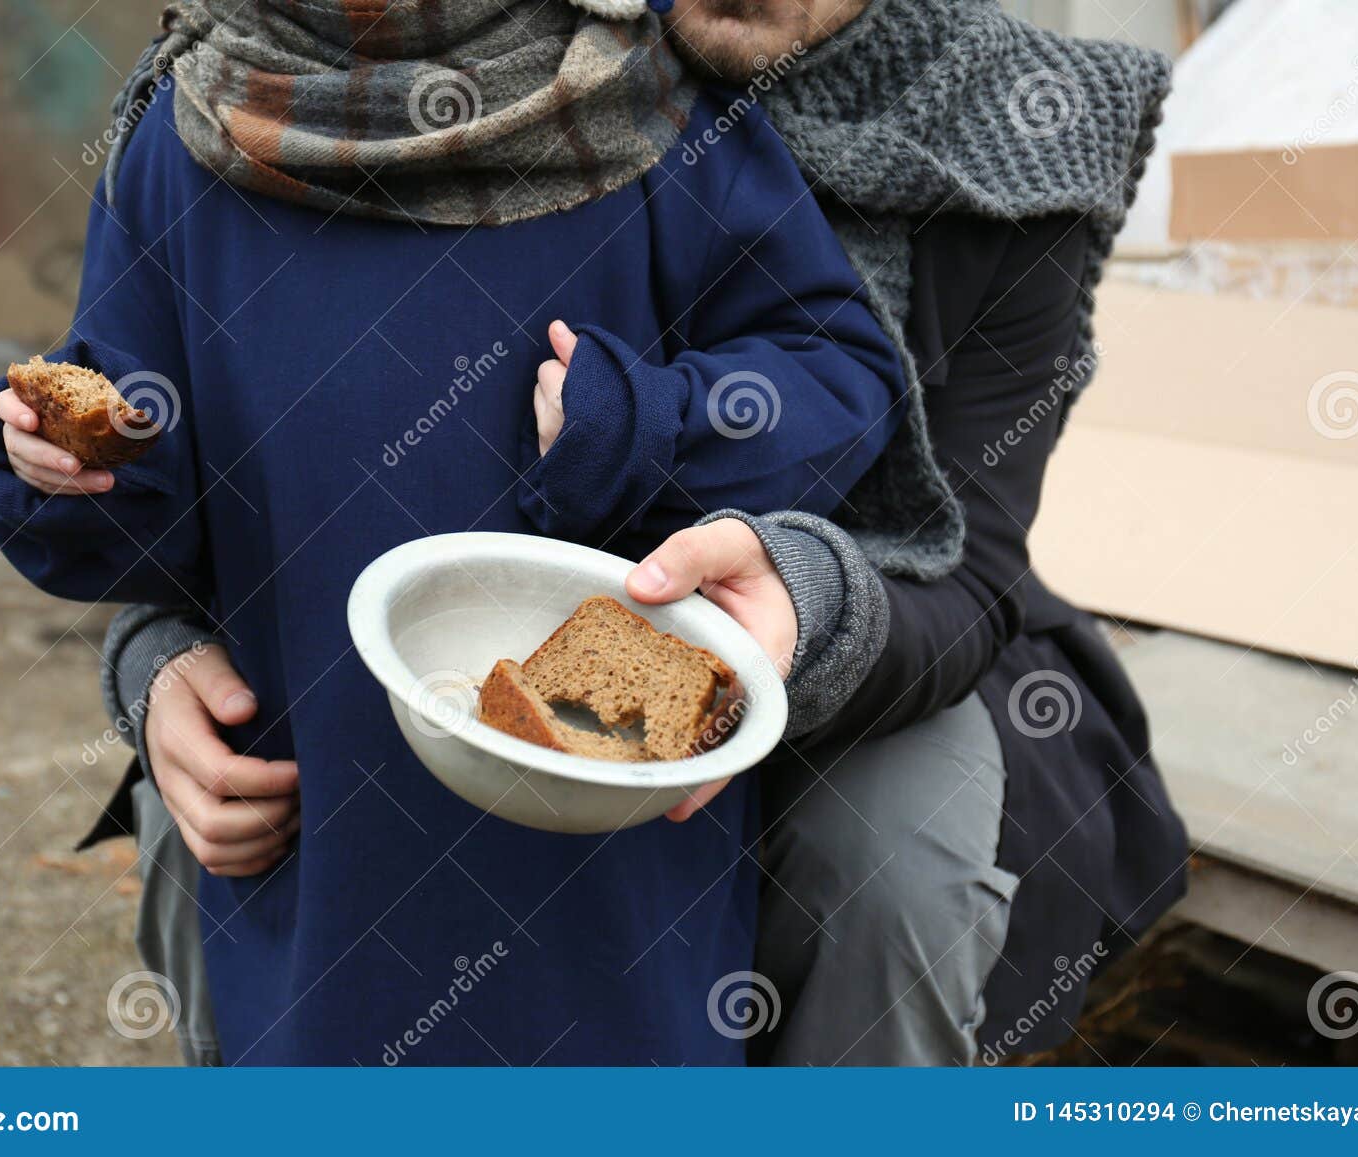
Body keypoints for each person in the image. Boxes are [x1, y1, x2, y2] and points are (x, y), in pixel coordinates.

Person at [97, 0, 1193, 1067]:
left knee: (896, 867)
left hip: (874, 623)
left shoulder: (1025, 128)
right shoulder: (458, 69)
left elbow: (972, 559)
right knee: (197, 811)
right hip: (501, 600)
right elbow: (281, 427)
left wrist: (805, 610)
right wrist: (154, 648)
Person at [0, 0, 913, 1065]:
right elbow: (142, 509)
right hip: (316, 829)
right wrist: (67, 471)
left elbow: (837, 375)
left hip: (601, 847)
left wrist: (647, 424)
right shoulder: (192, 129)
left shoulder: (643, 97)